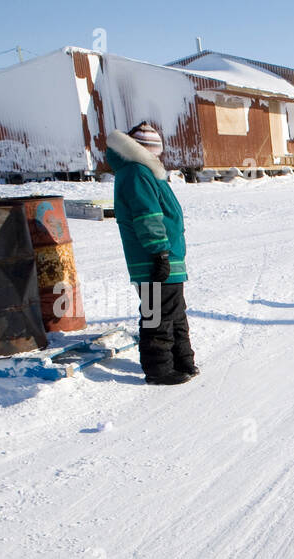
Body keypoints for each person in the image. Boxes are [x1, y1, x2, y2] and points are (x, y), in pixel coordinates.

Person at [106, 122, 197, 385]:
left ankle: (182, 360)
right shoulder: (136, 173)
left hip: (166, 256)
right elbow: (148, 216)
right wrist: (160, 253)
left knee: (175, 312)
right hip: (153, 259)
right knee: (157, 313)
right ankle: (159, 369)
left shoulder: (147, 172)